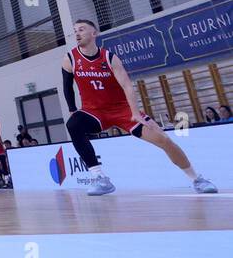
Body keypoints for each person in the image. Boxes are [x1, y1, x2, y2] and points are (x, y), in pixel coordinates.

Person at [62, 19, 216, 196]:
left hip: (122, 110)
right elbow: (67, 86)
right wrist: (73, 110)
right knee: (73, 125)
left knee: (164, 140)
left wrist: (135, 113)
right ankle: (100, 178)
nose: (77, 33)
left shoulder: (109, 58)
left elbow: (127, 86)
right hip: (94, 111)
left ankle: (197, 179)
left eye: (81, 29)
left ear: (94, 33)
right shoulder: (70, 58)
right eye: (75, 31)